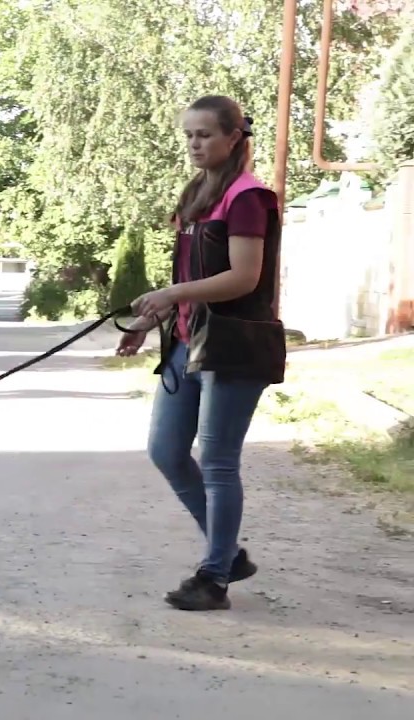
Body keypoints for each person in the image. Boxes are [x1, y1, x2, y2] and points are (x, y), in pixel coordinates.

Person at [116, 94, 286, 612]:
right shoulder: (199, 194)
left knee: (217, 461)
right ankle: (227, 553)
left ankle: (214, 578)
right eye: (189, 134)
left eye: (205, 134)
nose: (194, 143)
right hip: (188, 342)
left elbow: (243, 277)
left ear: (234, 138)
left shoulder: (249, 197)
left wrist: (171, 297)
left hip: (233, 346)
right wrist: (154, 318)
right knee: (166, 451)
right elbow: (192, 276)